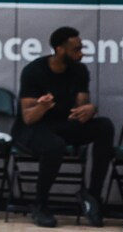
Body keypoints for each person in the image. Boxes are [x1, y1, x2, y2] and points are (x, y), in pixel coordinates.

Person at [13, 26, 114, 228]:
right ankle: (40, 205)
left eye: (81, 48)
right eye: (76, 49)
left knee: (104, 126)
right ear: (60, 49)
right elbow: (28, 118)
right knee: (54, 146)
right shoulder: (34, 71)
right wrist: (42, 107)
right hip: (33, 129)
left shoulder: (79, 70)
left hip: (62, 125)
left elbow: (80, 106)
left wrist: (89, 109)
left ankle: (91, 197)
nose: (81, 53)